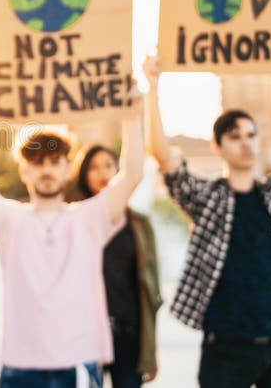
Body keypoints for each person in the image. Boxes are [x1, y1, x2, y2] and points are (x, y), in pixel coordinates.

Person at [0, 87, 144, 388]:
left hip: (78, 362)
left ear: (68, 169)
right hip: (20, 367)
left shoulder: (89, 217)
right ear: (25, 172)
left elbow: (133, 174)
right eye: (37, 162)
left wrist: (133, 116)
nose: (46, 169)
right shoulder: (8, 218)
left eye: (54, 161)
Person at [144, 55, 271, 388]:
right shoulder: (208, 197)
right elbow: (164, 157)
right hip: (226, 346)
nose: (245, 142)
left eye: (250, 134)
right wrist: (152, 86)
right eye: (234, 136)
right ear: (218, 146)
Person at [66, 144, 162, 387]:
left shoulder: (138, 224)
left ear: (119, 170)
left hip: (127, 333)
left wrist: (150, 351)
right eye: (94, 167)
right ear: (83, 173)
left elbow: (149, 290)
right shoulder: (71, 220)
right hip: (83, 333)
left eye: (108, 166)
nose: (102, 173)